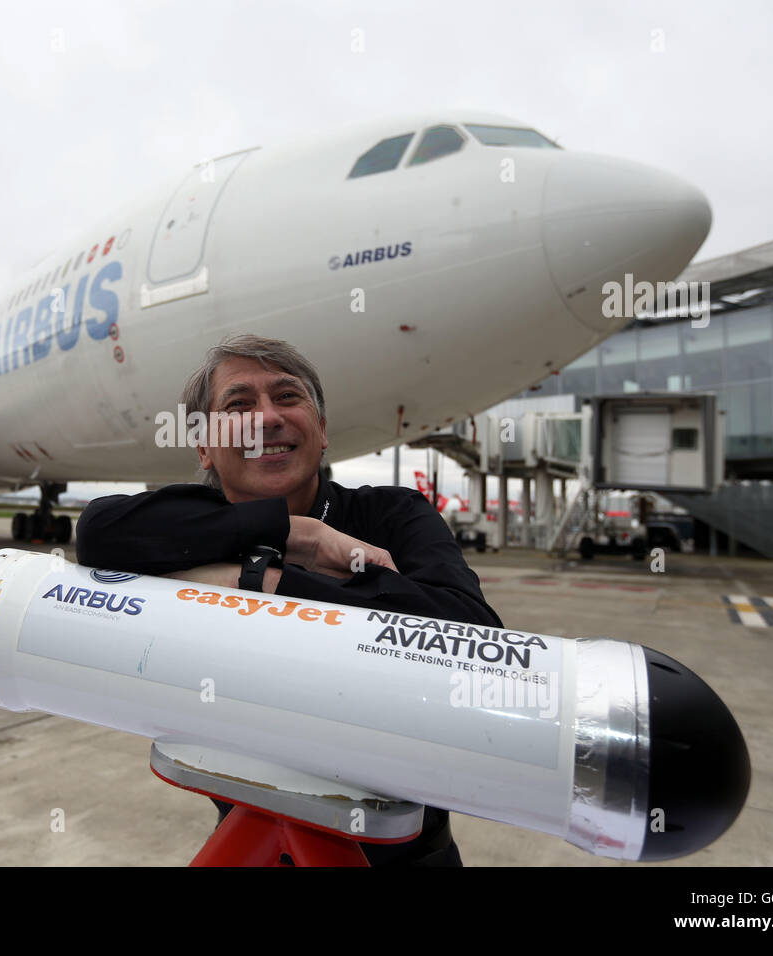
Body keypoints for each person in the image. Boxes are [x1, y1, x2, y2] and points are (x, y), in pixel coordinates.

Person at [75, 333, 503, 866]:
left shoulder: (394, 514)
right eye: (238, 404)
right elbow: (96, 531)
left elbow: (473, 637)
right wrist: (298, 535)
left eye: (287, 397)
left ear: (321, 432)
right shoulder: (183, 519)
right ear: (204, 446)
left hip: (400, 856)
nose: (267, 417)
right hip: (250, 845)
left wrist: (256, 582)